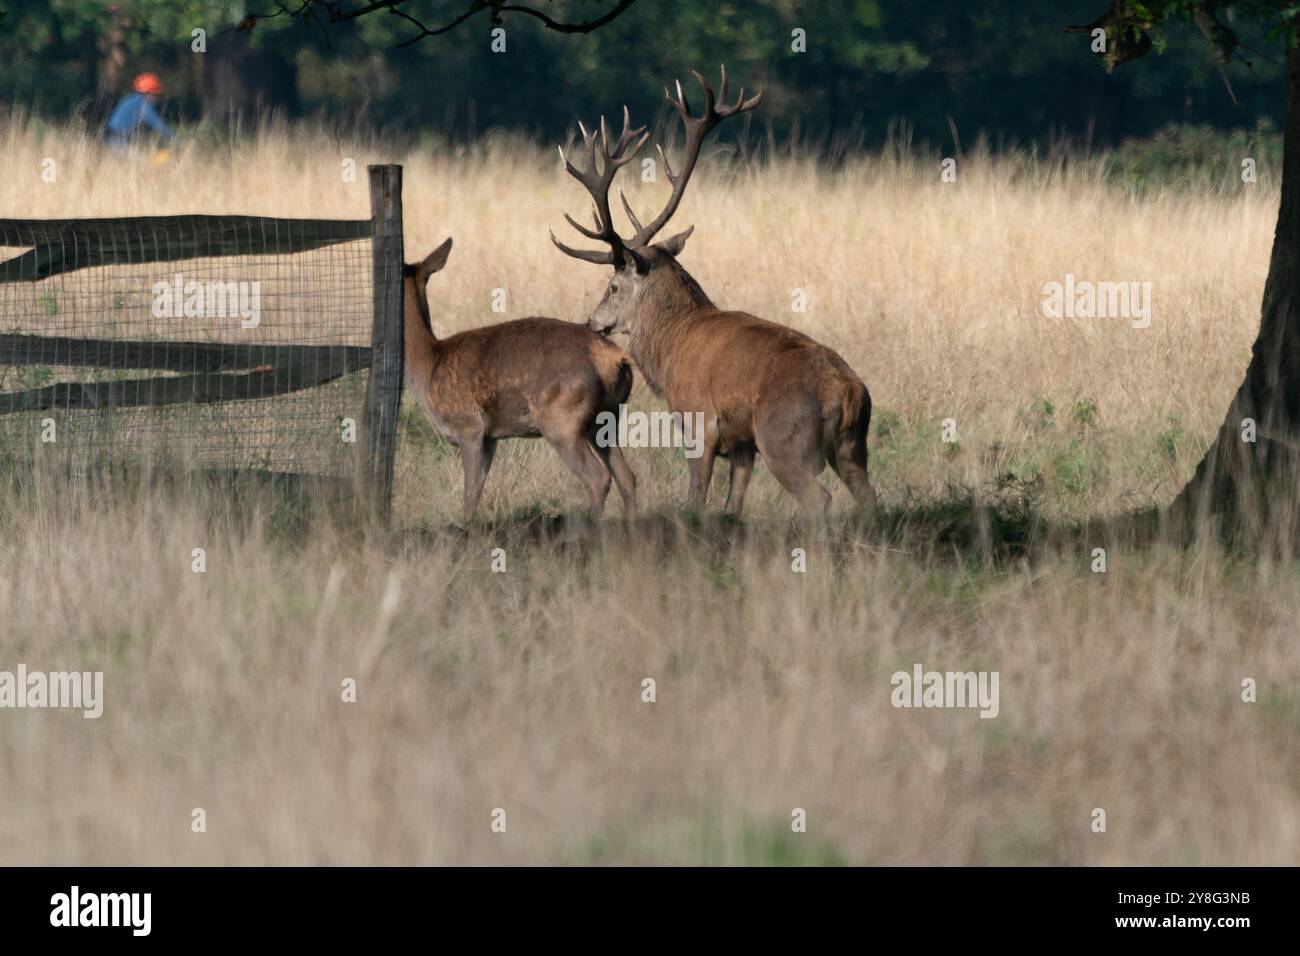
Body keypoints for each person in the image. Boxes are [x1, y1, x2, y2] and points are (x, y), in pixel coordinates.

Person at [106, 73, 176, 151]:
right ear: (149, 93)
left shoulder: (131, 99)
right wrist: (173, 137)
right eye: (156, 94)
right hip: (117, 139)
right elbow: (156, 123)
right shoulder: (142, 103)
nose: (156, 98)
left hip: (112, 137)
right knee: (141, 161)